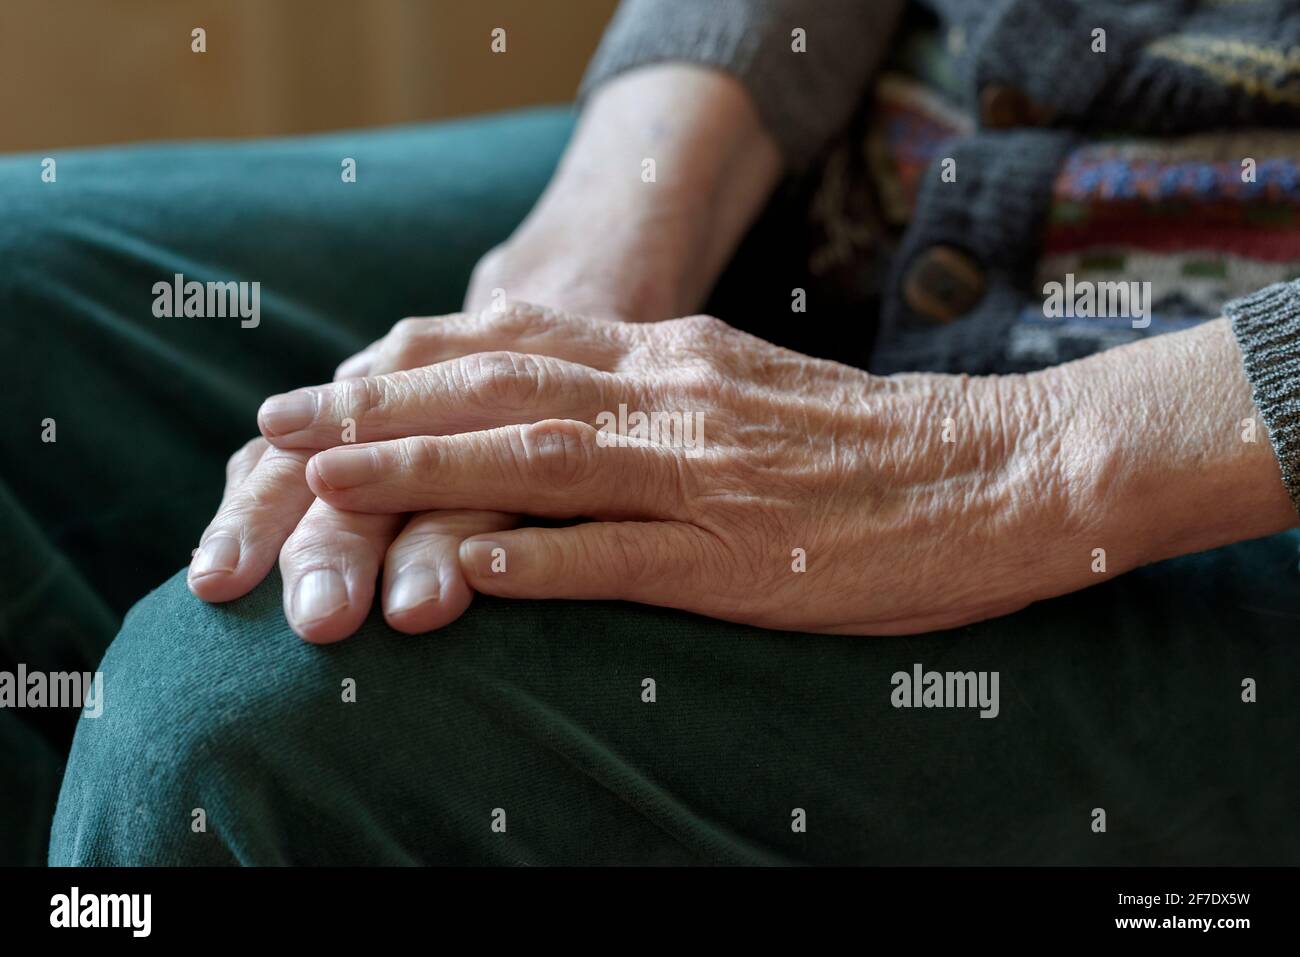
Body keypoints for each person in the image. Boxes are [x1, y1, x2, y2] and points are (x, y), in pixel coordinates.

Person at [9, 0, 1299, 865]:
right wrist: (596, 253)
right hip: (856, 176)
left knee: (241, 706)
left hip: (1229, 445)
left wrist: (1026, 460)